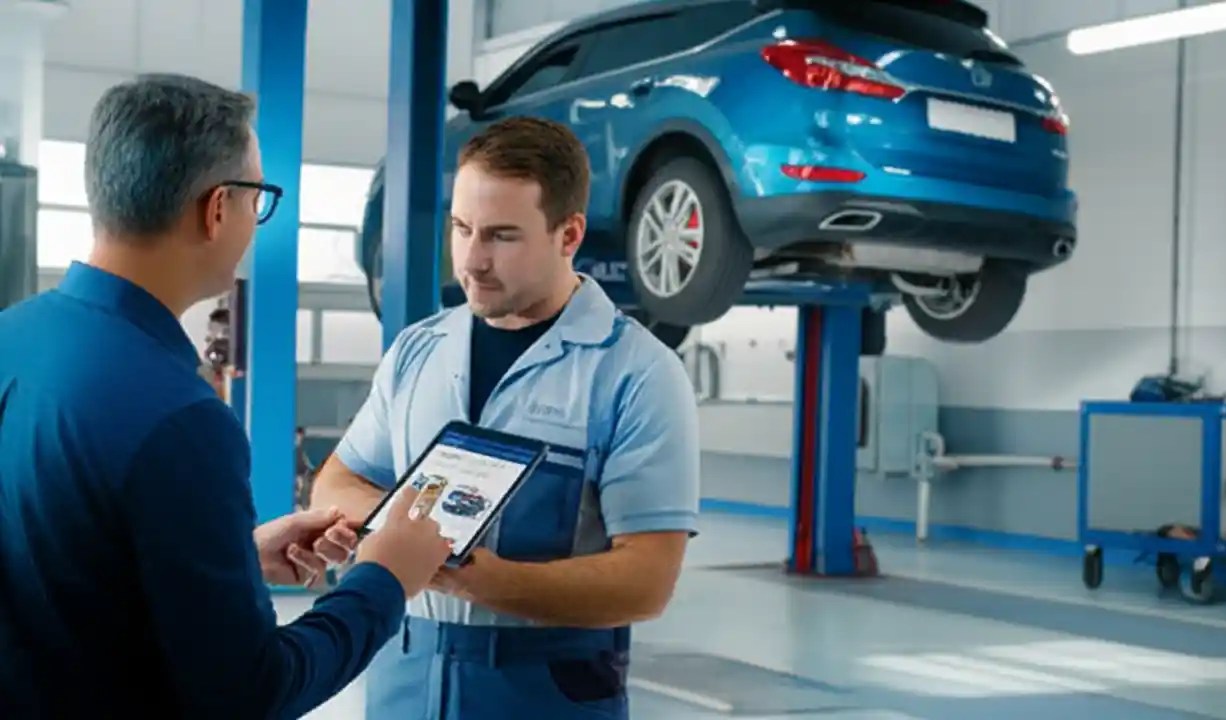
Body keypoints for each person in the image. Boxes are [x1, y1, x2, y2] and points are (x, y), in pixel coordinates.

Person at [0, 73, 454, 719]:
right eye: (258, 198)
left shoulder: (13, 336)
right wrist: (384, 580)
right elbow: (249, 693)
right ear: (217, 208)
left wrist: (228, 558)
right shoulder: (177, 416)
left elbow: (57, 568)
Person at [308, 116, 701, 719]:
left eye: (502, 236)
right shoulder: (419, 349)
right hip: (403, 679)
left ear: (568, 235)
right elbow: (338, 481)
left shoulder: (637, 372)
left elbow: (647, 580)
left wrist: (476, 578)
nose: (473, 260)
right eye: (462, 228)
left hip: (545, 691)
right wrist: (396, 533)